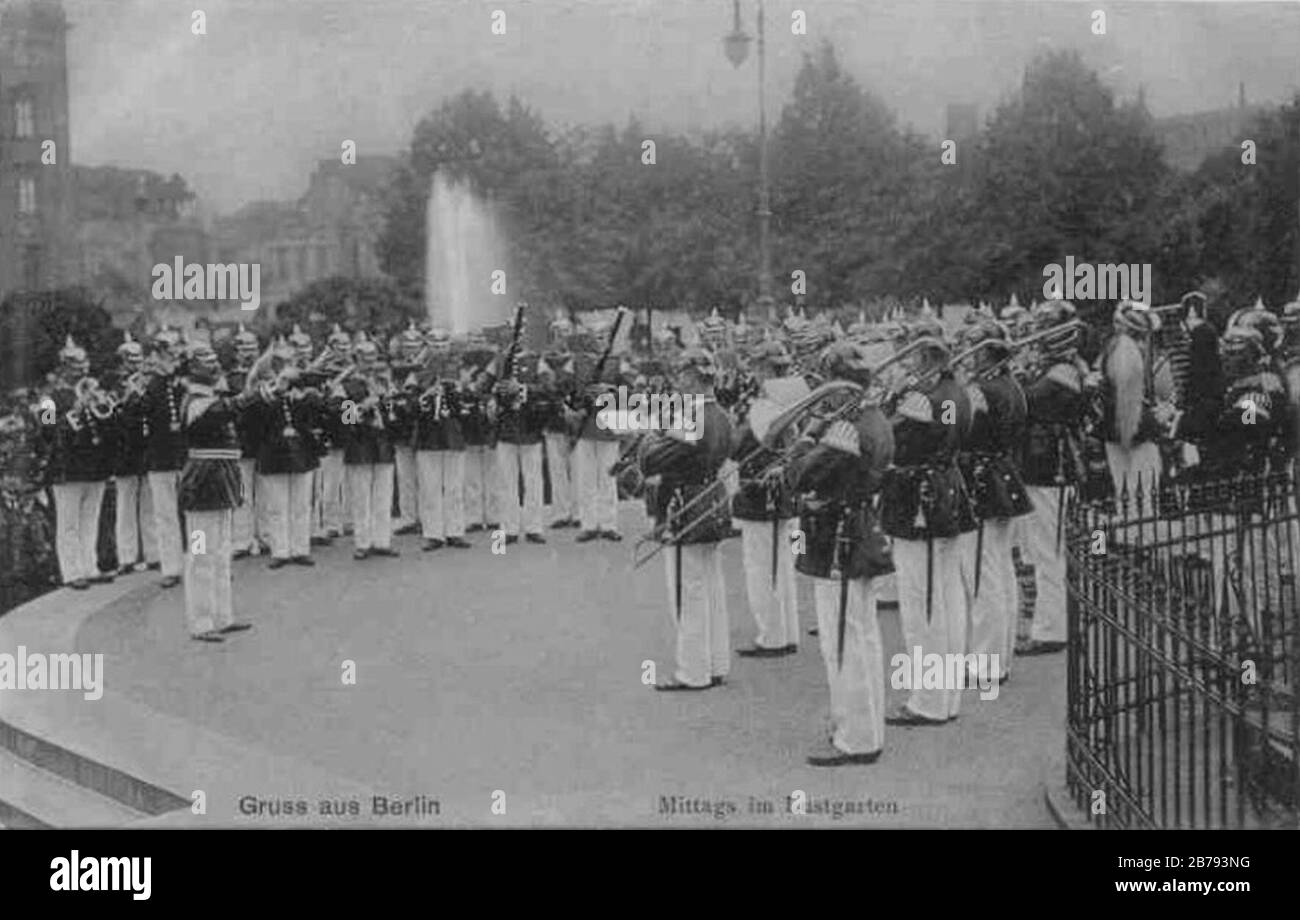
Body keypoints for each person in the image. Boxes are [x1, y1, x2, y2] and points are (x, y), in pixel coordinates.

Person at [785, 341, 895, 765]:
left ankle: (856, 737)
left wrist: (804, 441)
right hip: (859, 528)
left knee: (843, 641)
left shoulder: (843, 429)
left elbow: (799, 476)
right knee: (862, 635)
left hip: (837, 538)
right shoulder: (875, 418)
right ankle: (865, 727)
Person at [880, 325, 976, 726]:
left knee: (923, 605)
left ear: (928, 360)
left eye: (913, 358)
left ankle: (929, 701)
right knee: (947, 599)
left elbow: (889, 437)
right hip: (945, 491)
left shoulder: (922, 399)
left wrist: (891, 397)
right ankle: (945, 697)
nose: (906, 364)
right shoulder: (957, 393)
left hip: (918, 498)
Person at [640, 347, 734, 691]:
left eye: (681, 375)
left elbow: (650, 459)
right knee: (711, 584)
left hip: (684, 504)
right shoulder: (721, 414)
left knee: (687, 589)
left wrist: (656, 432)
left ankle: (692, 670)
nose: (678, 382)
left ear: (694, 377)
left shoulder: (691, 416)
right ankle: (716, 661)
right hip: (711, 498)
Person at [955, 319, 1033, 682]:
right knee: (1000, 571)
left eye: (974, 350)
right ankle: (998, 656)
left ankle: (987, 661)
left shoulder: (981, 390)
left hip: (981, 479)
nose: (969, 358)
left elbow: (960, 431)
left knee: (983, 574)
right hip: (1002, 474)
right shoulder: (1011, 384)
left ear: (986, 352)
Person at [1017, 300, 1089, 656]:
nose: (1033, 337)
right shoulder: (1056, 368)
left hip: (1052, 468)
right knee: (1043, 549)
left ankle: (1052, 628)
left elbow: (1028, 403)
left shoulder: (1063, 373)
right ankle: (1052, 622)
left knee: (1050, 550)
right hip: (1041, 468)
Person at [732, 339, 808, 658]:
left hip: (761, 493)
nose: (755, 373)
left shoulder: (764, 404)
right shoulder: (796, 397)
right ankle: (787, 631)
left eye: (758, 367)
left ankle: (772, 635)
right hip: (786, 494)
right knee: (784, 563)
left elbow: (739, 447)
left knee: (762, 567)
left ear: (766, 369)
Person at [178, 342, 255, 642]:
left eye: (214, 362)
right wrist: (255, 394)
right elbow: (221, 412)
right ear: (194, 370)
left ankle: (222, 616)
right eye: (207, 364)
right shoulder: (195, 400)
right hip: (203, 481)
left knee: (221, 552)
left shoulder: (208, 397)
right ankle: (200, 621)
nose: (215, 367)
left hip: (220, 477)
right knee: (201, 554)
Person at [39, 336, 111, 590]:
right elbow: (46, 429)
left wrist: (99, 404)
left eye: (83, 365)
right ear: (63, 368)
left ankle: (90, 567)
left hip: (92, 465)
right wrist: (75, 411)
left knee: (91, 519)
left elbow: (104, 424)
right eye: (75, 367)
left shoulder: (91, 389)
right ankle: (71, 572)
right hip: (66, 468)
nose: (81, 371)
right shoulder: (49, 397)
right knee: (69, 523)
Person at [335, 332, 399, 560]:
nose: (370, 362)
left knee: (383, 496)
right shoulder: (346, 384)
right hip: (360, 443)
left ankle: (382, 540)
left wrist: (389, 401)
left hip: (382, 442)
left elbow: (394, 414)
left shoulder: (384, 381)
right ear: (356, 359)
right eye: (365, 357)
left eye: (373, 357)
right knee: (361, 497)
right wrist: (362, 407)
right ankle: (362, 542)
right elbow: (343, 418)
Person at [108, 331, 157, 575]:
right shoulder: (113, 384)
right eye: (130, 358)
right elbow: (113, 415)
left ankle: (153, 553)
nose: (136, 363)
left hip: (147, 447)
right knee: (125, 504)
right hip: (124, 449)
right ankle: (126, 557)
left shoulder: (150, 380)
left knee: (150, 503)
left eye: (138, 358)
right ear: (122, 361)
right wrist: (129, 394)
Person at [492, 350, 547, 545]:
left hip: (530, 427)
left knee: (533, 481)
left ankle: (534, 527)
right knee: (506, 482)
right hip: (505, 428)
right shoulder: (497, 362)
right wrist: (495, 393)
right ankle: (507, 529)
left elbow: (546, 387)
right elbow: (484, 386)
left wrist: (521, 388)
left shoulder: (536, 361)